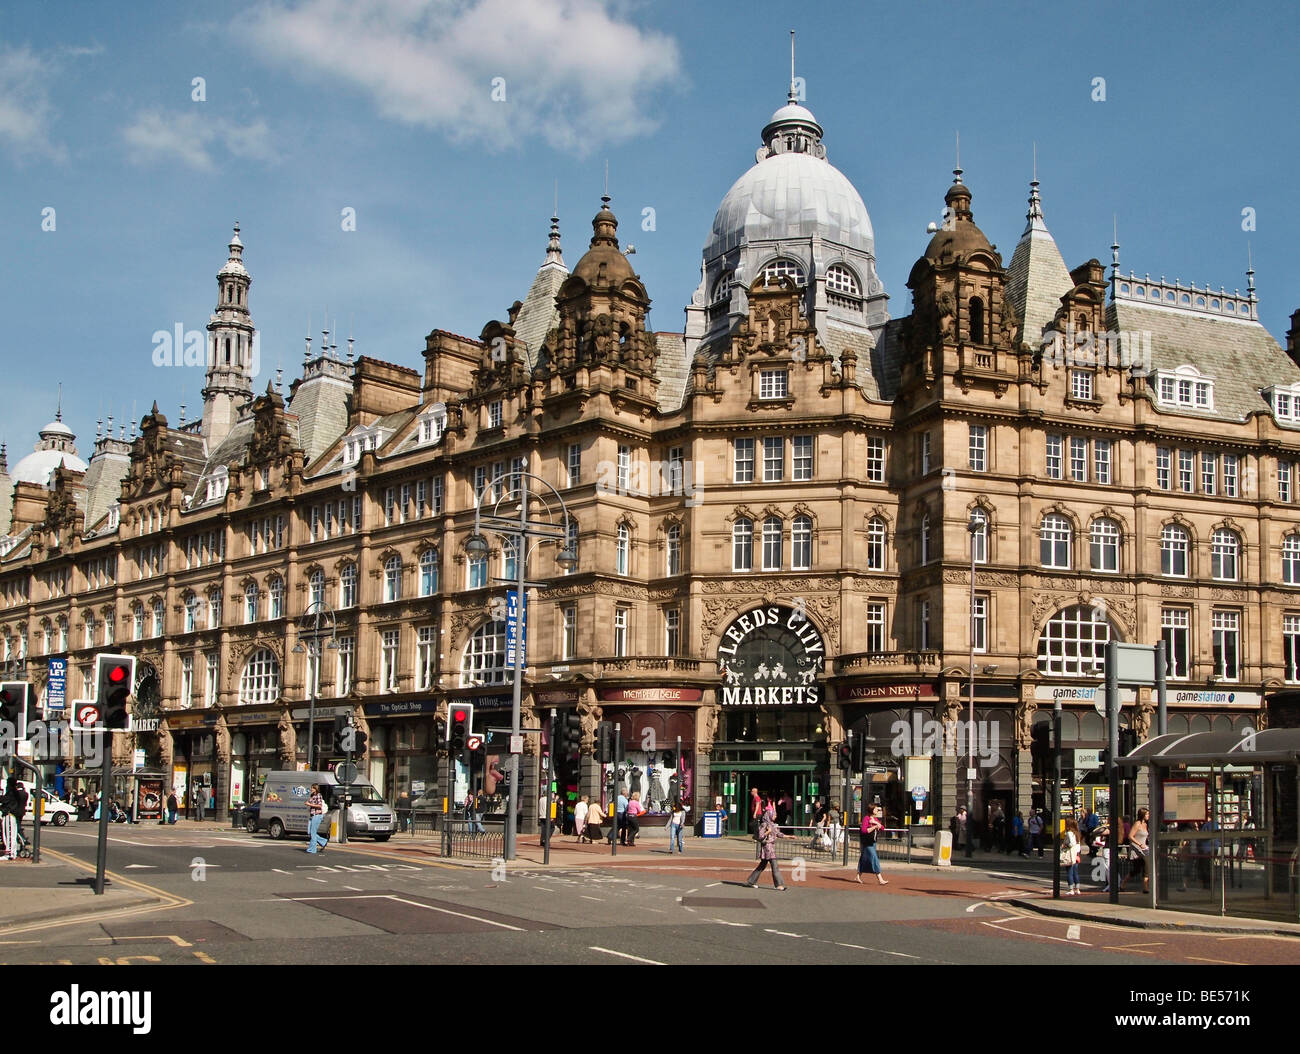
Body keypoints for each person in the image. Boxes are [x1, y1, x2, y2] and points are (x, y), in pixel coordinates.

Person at [745, 804, 787, 890]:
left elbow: (778, 834)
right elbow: (761, 836)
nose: (775, 816)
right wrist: (768, 832)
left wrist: (789, 836)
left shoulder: (772, 824)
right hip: (767, 847)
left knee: (762, 865)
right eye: (774, 814)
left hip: (770, 846)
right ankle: (779, 885)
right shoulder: (764, 825)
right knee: (774, 865)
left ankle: (751, 881)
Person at [1119, 808, 1150, 893]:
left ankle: (1145, 887)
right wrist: (1139, 844)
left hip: (1144, 849)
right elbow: (1130, 836)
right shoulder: (1137, 824)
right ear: (1142, 815)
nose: (1148, 816)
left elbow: (1145, 836)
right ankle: (1144, 887)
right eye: (1147, 814)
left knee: (1141, 868)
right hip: (1137, 849)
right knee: (1142, 867)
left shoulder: (1146, 824)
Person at [856, 804, 888, 885]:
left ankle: (858, 875)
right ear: (872, 810)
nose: (877, 810)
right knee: (874, 858)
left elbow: (882, 828)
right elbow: (864, 830)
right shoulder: (866, 818)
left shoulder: (875, 819)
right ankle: (880, 878)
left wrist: (874, 822)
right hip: (867, 842)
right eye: (876, 809)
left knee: (864, 859)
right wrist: (874, 827)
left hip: (872, 842)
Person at [1, 776, 28, 860]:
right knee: (12, 834)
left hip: (9, 814)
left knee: (9, 834)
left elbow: (5, 800)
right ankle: (12, 852)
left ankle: (9, 854)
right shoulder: (15, 792)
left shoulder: (11, 792)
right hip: (13, 815)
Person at [1061, 818, 1082, 895]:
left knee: (1069, 872)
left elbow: (1071, 843)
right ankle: (1077, 888)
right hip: (1076, 854)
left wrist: (1065, 845)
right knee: (1075, 872)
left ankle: (1071, 889)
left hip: (1070, 854)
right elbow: (1078, 845)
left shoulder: (1069, 833)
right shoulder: (1077, 833)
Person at [306, 783, 328, 853]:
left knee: (313, 833)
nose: (311, 789)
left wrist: (309, 804)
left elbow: (319, 805)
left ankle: (312, 849)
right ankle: (323, 841)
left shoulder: (319, 795)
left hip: (317, 815)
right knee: (310, 832)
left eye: (312, 788)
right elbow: (310, 802)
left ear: (316, 789)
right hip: (312, 815)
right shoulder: (312, 796)